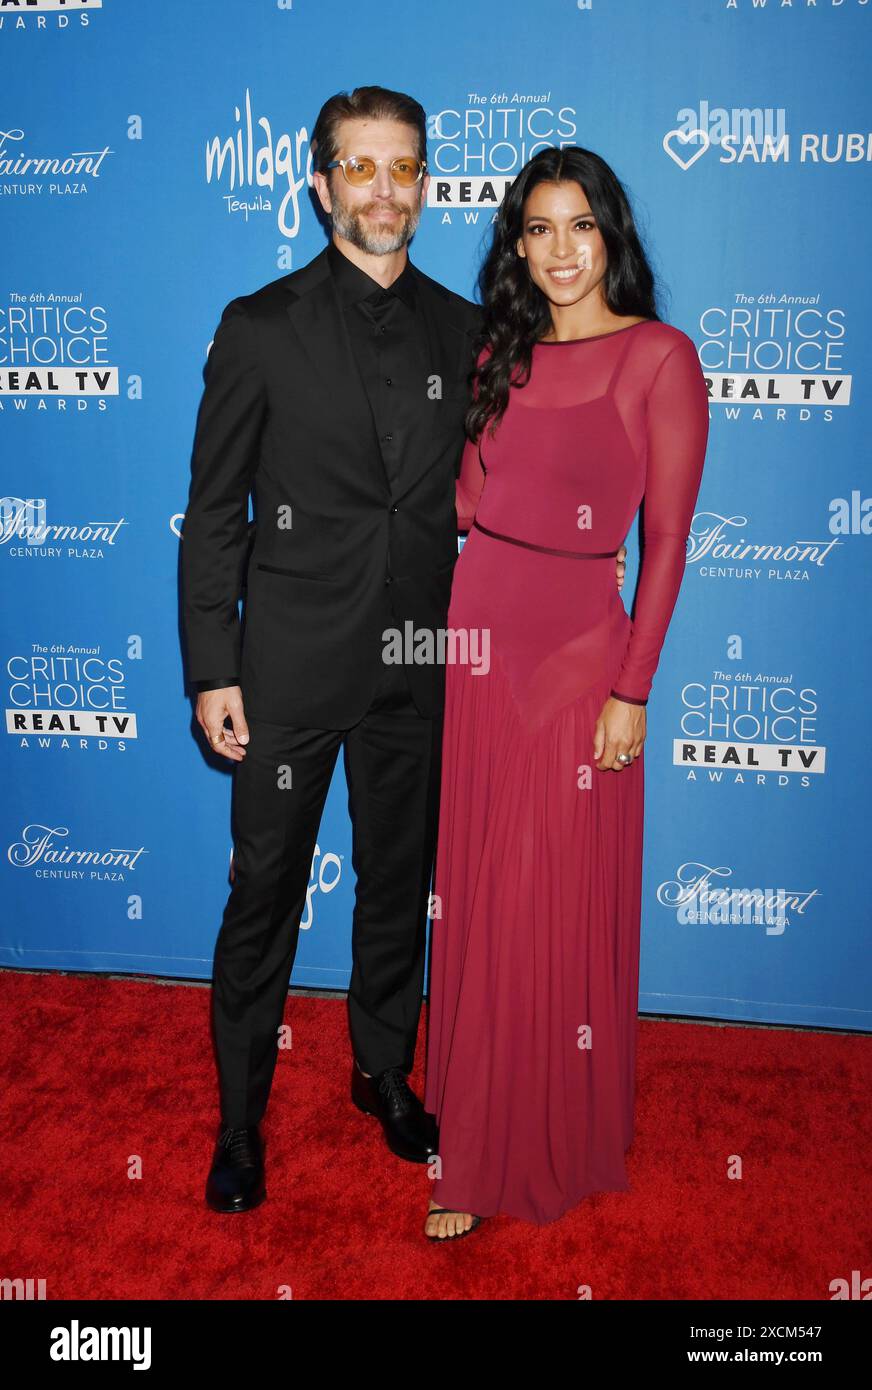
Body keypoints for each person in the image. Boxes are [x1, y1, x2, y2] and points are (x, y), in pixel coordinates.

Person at [181, 85, 485, 1213]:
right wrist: (214, 664)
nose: (384, 190)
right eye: (359, 168)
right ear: (320, 187)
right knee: (262, 890)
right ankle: (240, 1117)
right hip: (289, 668)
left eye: (403, 168)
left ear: (424, 183)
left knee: (397, 886)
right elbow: (215, 511)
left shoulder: (464, 328)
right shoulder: (257, 325)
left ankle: (380, 1072)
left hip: (413, 660)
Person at [423, 146, 710, 1239]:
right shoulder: (501, 350)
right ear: (515, 243)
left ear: (610, 235)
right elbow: (466, 501)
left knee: (534, 890)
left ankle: (493, 1155)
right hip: (478, 632)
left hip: (578, 649)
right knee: (482, 886)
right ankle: (482, 1106)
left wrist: (631, 686)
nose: (556, 250)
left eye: (577, 226)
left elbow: (668, 539)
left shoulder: (657, 358)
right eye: (535, 229)